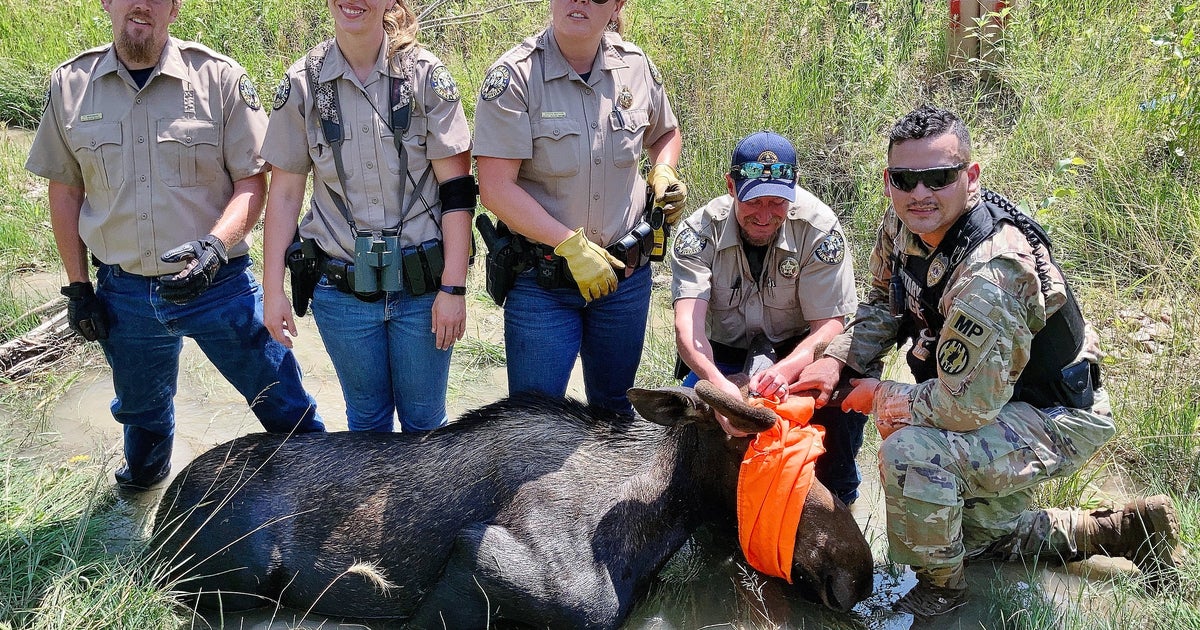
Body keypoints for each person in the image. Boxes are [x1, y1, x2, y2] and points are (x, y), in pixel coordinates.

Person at [794, 104, 1183, 618]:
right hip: (996, 399)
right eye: (905, 179)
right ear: (889, 181)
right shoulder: (904, 223)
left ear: (970, 176)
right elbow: (882, 306)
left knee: (913, 454)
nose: (919, 193)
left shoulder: (991, 274)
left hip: (1051, 414)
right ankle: (1121, 530)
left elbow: (962, 410)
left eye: (938, 177)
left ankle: (940, 592)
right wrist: (838, 361)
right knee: (972, 539)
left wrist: (875, 396)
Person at [25, 0, 325, 492]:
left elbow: (253, 183)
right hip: (125, 292)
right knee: (141, 422)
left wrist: (214, 245)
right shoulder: (71, 85)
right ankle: (137, 511)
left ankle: (328, 501)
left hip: (219, 285)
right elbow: (66, 191)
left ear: (175, 9)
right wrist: (79, 287)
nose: (141, 5)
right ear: (106, 2)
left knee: (285, 407)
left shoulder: (219, 79)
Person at [261, 0, 473, 432]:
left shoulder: (424, 77)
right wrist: (272, 290)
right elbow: (283, 194)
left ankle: (422, 503)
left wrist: (453, 288)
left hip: (422, 291)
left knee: (425, 425)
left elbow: (457, 191)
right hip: (342, 293)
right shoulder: (304, 84)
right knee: (366, 421)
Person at [473, 0, 686, 415]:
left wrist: (663, 170)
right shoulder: (517, 76)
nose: (581, 1)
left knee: (615, 415)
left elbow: (666, 132)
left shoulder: (635, 67)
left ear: (618, 5)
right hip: (543, 282)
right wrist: (569, 244)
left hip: (624, 282)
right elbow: (496, 189)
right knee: (533, 424)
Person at [671, 131, 867, 506]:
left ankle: (841, 497)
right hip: (723, 355)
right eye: (753, 201)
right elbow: (687, 328)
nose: (764, 216)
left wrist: (785, 371)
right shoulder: (699, 232)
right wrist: (717, 386)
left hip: (800, 348)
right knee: (684, 422)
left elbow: (831, 324)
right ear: (731, 186)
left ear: (794, 189)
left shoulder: (819, 228)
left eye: (777, 202)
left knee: (844, 397)